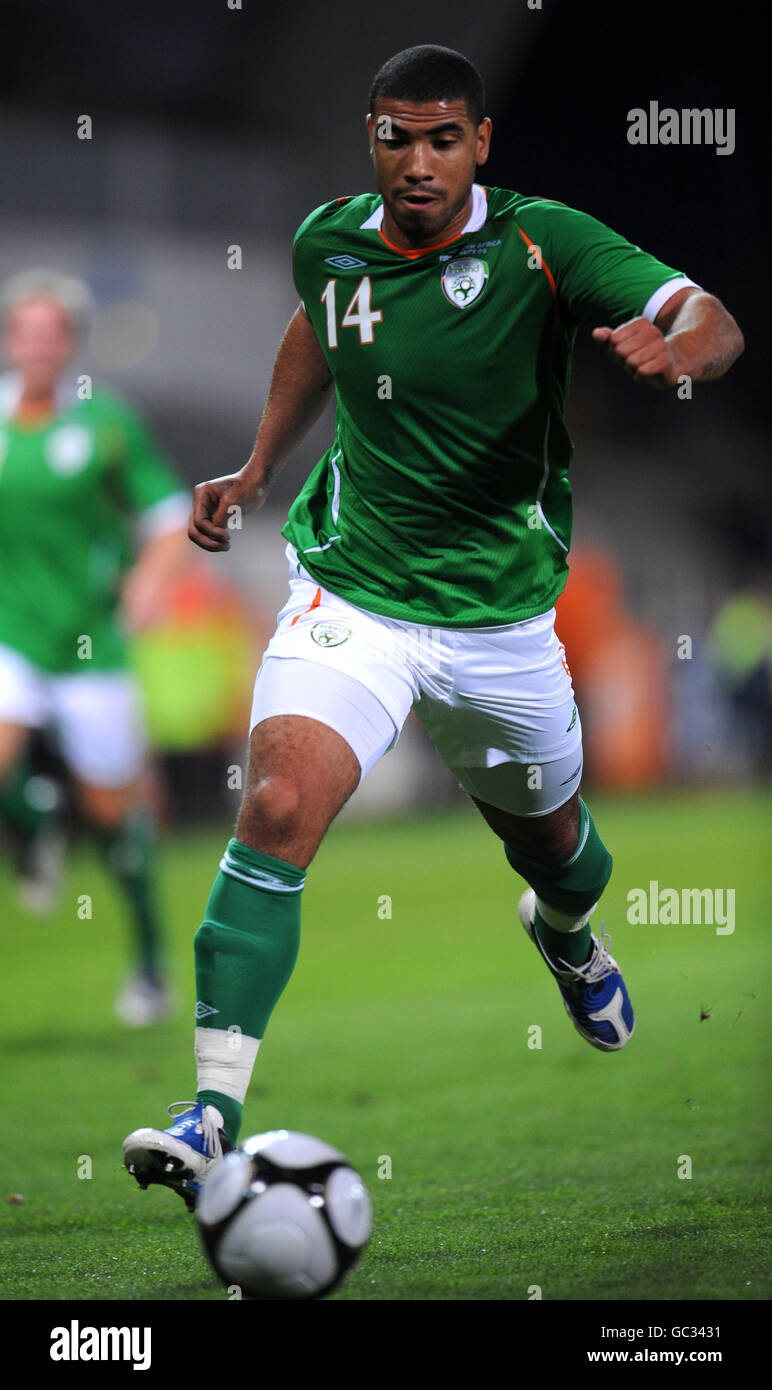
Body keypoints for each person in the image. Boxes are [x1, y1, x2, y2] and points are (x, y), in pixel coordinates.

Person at [123, 45, 743, 1206]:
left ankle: (564, 935)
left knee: (558, 851)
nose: (419, 162)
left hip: (502, 622)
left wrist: (681, 353)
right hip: (355, 594)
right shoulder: (331, 238)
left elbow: (700, 313)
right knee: (275, 804)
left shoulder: (543, 242)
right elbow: (321, 327)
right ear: (371, 137)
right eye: (397, 137)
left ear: (481, 144)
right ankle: (210, 1109)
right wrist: (260, 464)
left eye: (442, 138)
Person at [0, 269, 190, 1025]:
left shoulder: (106, 420)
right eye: (24, 332)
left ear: (68, 343)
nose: (37, 345)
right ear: (11, 340)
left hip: (89, 644)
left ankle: (150, 963)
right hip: (10, 633)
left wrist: (149, 581)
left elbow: (169, 512)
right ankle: (36, 825)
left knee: (113, 813)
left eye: (51, 333)